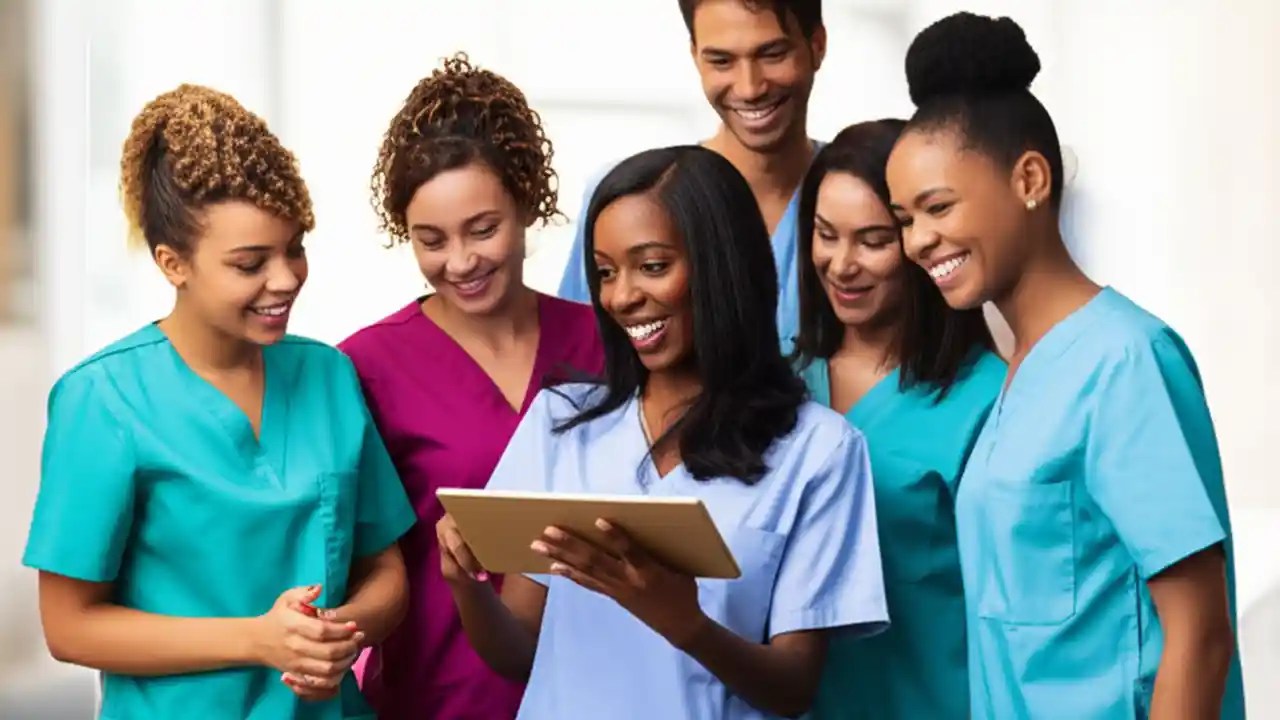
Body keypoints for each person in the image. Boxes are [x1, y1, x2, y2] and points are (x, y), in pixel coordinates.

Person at [438, 145, 887, 719]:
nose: (622, 296)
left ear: (722, 265)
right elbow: (522, 651)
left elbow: (794, 687)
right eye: (605, 272)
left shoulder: (818, 450)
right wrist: (467, 585)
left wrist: (686, 624)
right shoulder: (561, 423)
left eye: (652, 266)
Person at [885, 13, 1246, 719]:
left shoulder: (1123, 361)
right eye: (903, 219)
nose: (919, 241)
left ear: (1029, 178)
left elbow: (1200, 635)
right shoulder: (1018, 378)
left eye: (938, 207)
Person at [22, 84, 417, 719]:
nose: (285, 279)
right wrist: (260, 640)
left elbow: (387, 572)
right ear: (172, 262)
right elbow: (69, 626)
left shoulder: (328, 376)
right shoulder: (103, 399)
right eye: (249, 262)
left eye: (295, 248)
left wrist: (335, 637)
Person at [338, 54, 603, 720]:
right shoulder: (366, 366)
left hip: (602, 687)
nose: (460, 263)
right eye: (431, 240)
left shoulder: (606, 345)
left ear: (527, 201)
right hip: (436, 698)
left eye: (483, 229)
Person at [791, 119, 1005, 719]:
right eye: (825, 234)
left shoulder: (988, 399)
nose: (841, 264)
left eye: (873, 240)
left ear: (919, 244)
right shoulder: (781, 386)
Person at [558, 0, 826, 352]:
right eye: (721, 61)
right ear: (695, 56)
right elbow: (584, 363)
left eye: (772, 53)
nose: (749, 87)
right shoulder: (625, 201)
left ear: (817, 46)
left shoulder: (869, 194)